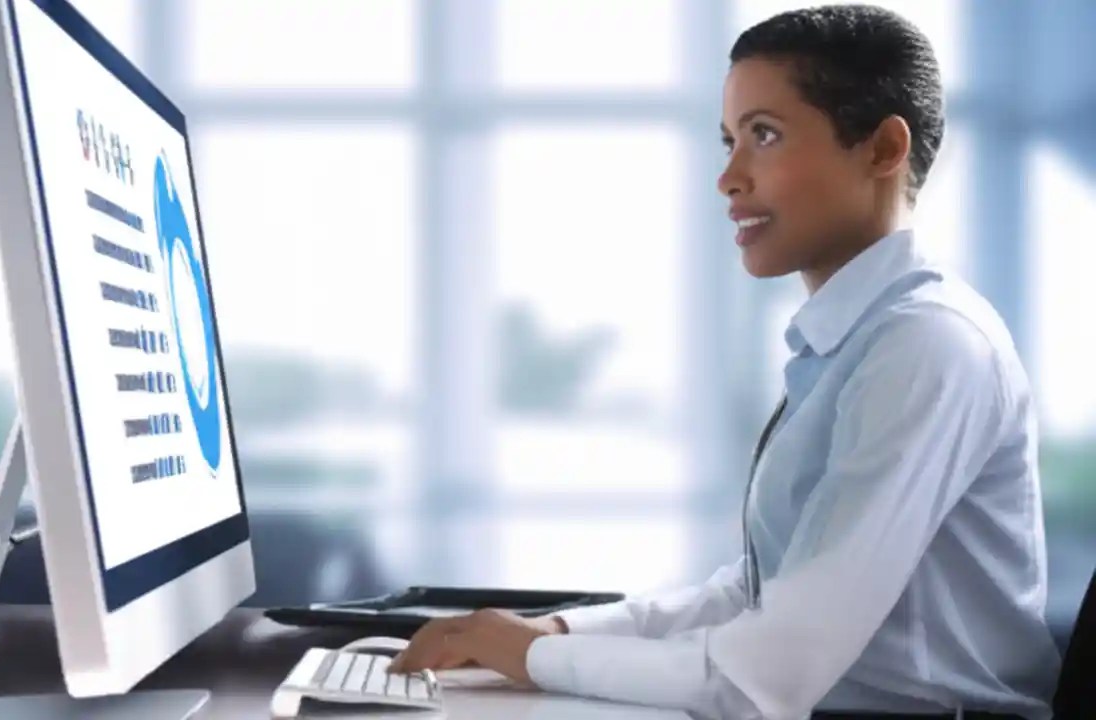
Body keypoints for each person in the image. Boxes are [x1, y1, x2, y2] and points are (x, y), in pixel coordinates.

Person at [389, 5, 1062, 719]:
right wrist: (554, 634)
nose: (729, 178)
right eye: (729, 140)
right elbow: (755, 595)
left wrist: (530, 658)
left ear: (882, 149)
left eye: (764, 135)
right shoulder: (855, 340)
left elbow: (764, 676)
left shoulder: (927, 345)